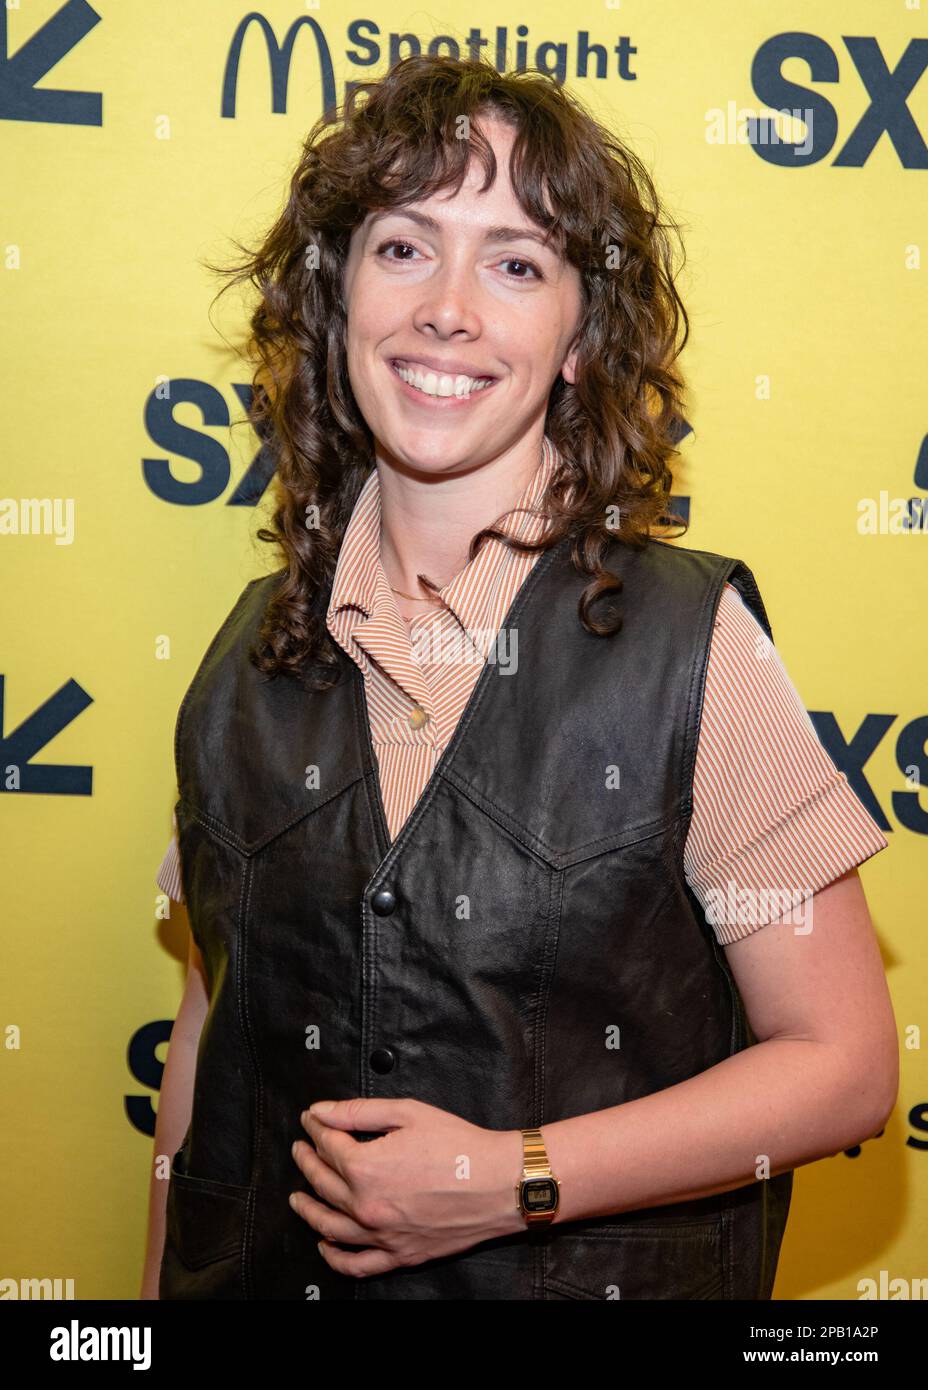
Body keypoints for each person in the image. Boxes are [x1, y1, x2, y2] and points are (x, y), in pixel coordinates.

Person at [140, 54, 896, 1301]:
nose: (447, 307)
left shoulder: (692, 643)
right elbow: (204, 1051)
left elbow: (843, 1063)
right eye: (402, 248)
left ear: (582, 342)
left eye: (514, 262)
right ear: (334, 306)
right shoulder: (236, 661)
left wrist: (514, 1176)